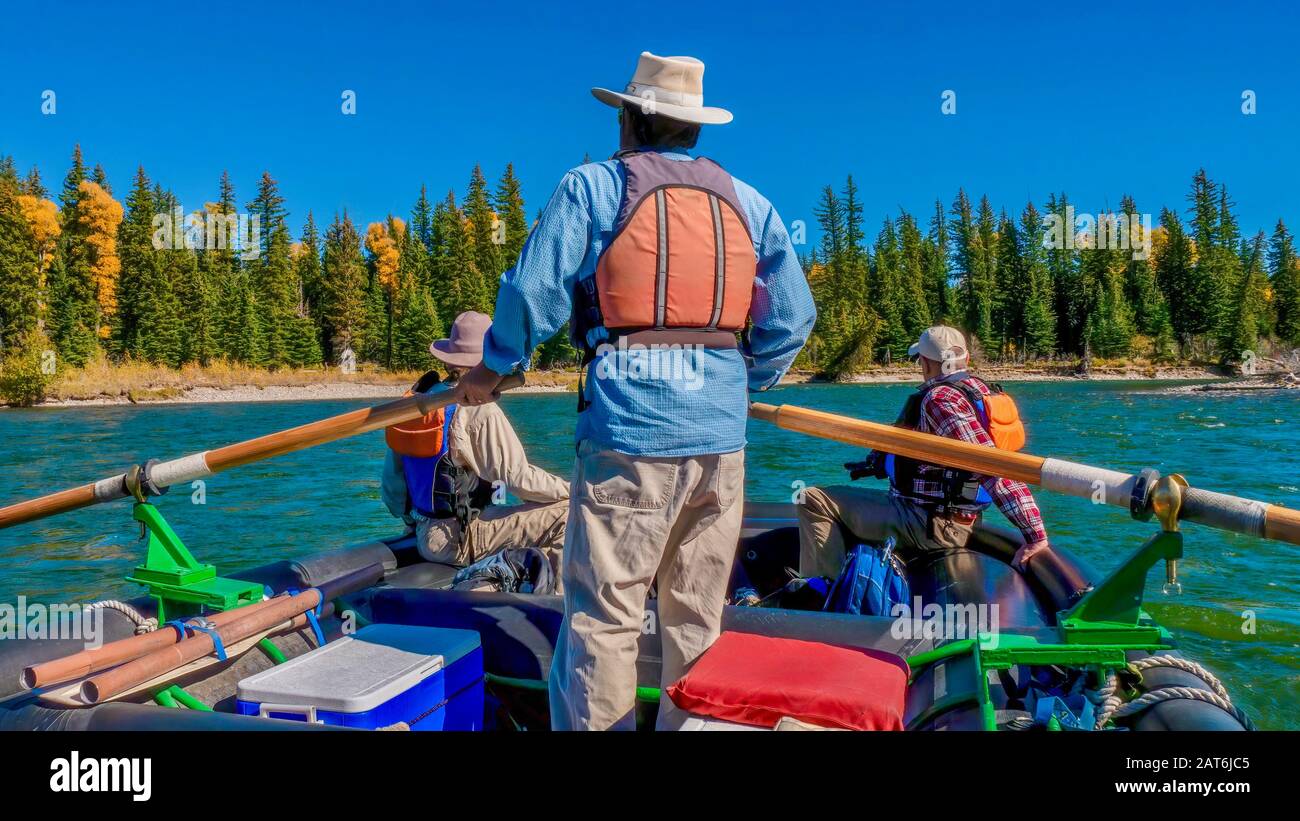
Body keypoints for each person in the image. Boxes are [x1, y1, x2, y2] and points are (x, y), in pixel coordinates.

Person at [456, 52, 815, 730]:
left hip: (630, 437)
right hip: (721, 446)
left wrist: (495, 367)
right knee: (697, 617)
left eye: (622, 109)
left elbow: (532, 293)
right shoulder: (752, 203)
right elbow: (794, 317)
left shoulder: (593, 188)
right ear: (692, 128)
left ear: (634, 119)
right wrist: (745, 380)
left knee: (605, 620)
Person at [798, 325, 1054, 579]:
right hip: (955, 518)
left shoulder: (940, 400)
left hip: (931, 524)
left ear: (927, 363)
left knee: (812, 499)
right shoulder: (982, 391)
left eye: (920, 360)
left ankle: (821, 595)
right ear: (965, 358)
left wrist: (1035, 534)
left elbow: (988, 464)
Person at [381, 311, 570, 583]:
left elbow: (392, 490)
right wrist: (574, 492)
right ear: (488, 361)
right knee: (571, 513)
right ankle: (556, 603)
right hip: (461, 539)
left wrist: (414, 523)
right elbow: (518, 479)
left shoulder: (418, 403)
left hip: (426, 535)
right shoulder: (478, 410)